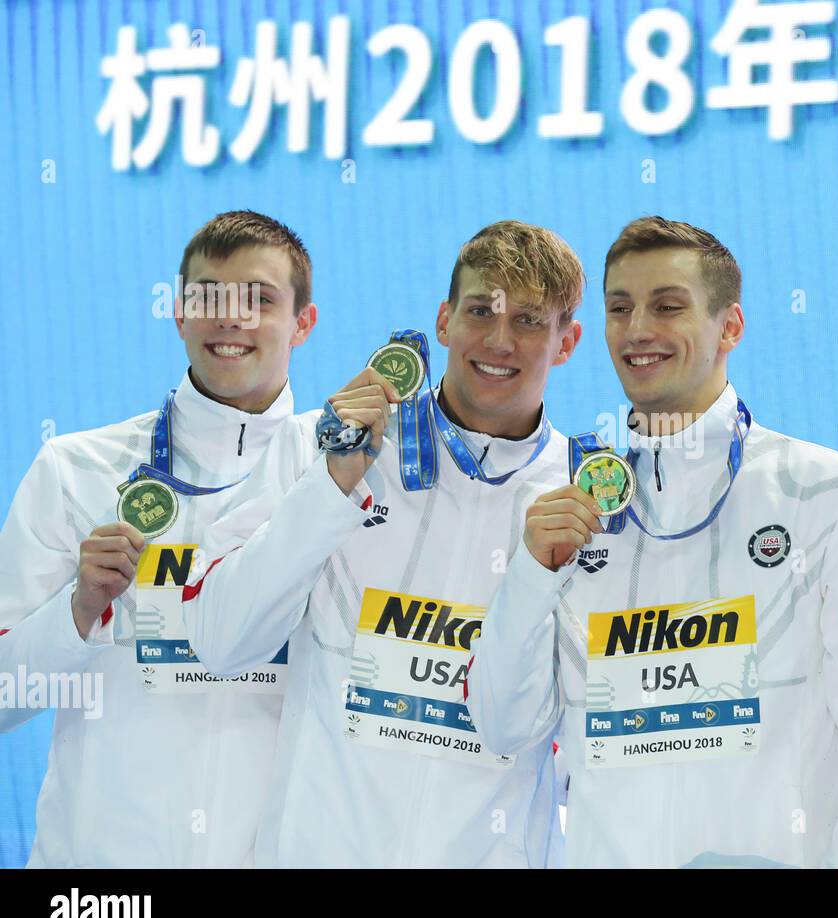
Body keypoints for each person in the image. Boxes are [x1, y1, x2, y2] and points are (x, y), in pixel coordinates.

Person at [470, 216, 838, 868]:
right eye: (620, 309)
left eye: (667, 306)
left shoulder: (832, 495)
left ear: (729, 327)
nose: (639, 330)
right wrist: (533, 574)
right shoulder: (569, 515)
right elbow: (502, 728)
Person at [181, 221, 584, 867]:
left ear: (568, 342)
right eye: (481, 310)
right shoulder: (325, 441)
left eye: (531, 321)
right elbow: (220, 641)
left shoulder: (584, 500)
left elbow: (527, 728)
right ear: (445, 321)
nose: (500, 341)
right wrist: (334, 483)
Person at [0, 210, 317, 866]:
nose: (230, 318)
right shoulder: (76, 469)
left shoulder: (342, 485)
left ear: (303, 324)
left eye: (258, 299)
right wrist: (80, 611)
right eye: (208, 296)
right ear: (178, 313)